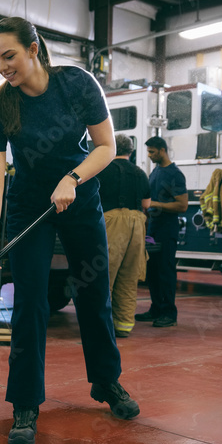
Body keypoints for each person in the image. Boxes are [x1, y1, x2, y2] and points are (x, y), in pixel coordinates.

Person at [0, 16, 139, 444]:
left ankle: (106, 382)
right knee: (30, 301)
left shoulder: (75, 84)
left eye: (9, 56)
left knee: (93, 293)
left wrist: (73, 178)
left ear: (33, 48)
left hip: (80, 197)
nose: (2, 67)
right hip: (29, 206)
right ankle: (25, 403)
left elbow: (107, 147)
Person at [96, 134, 151, 338]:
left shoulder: (102, 169)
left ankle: (100, 327)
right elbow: (146, 205)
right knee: (129, 277)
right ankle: (124, 325)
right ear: (131, 151)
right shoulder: (140, 172)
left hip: (111, 222)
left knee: (103, 276)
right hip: (137, 224)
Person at [134, 136, 188, 328]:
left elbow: (182, 205)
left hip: (167, 229)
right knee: (153, 271)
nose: (149, 155)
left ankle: (168, 313)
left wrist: (155, 204)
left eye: (152, 152)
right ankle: (156, 308)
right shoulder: (155, 172)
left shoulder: (175, 174)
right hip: (153, 228)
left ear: (162, 150)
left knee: (165, 270)